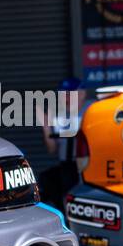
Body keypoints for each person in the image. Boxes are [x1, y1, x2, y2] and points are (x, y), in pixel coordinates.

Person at [35, 77, 91, 207]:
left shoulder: (92, 110)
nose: (66, 98)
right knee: (47, 181)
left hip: (89, 166)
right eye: (62, 94)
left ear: (82, 94)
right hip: (67, 167)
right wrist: (46, 126)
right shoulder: (56, 114)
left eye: (70, 94)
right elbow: (52, 149)